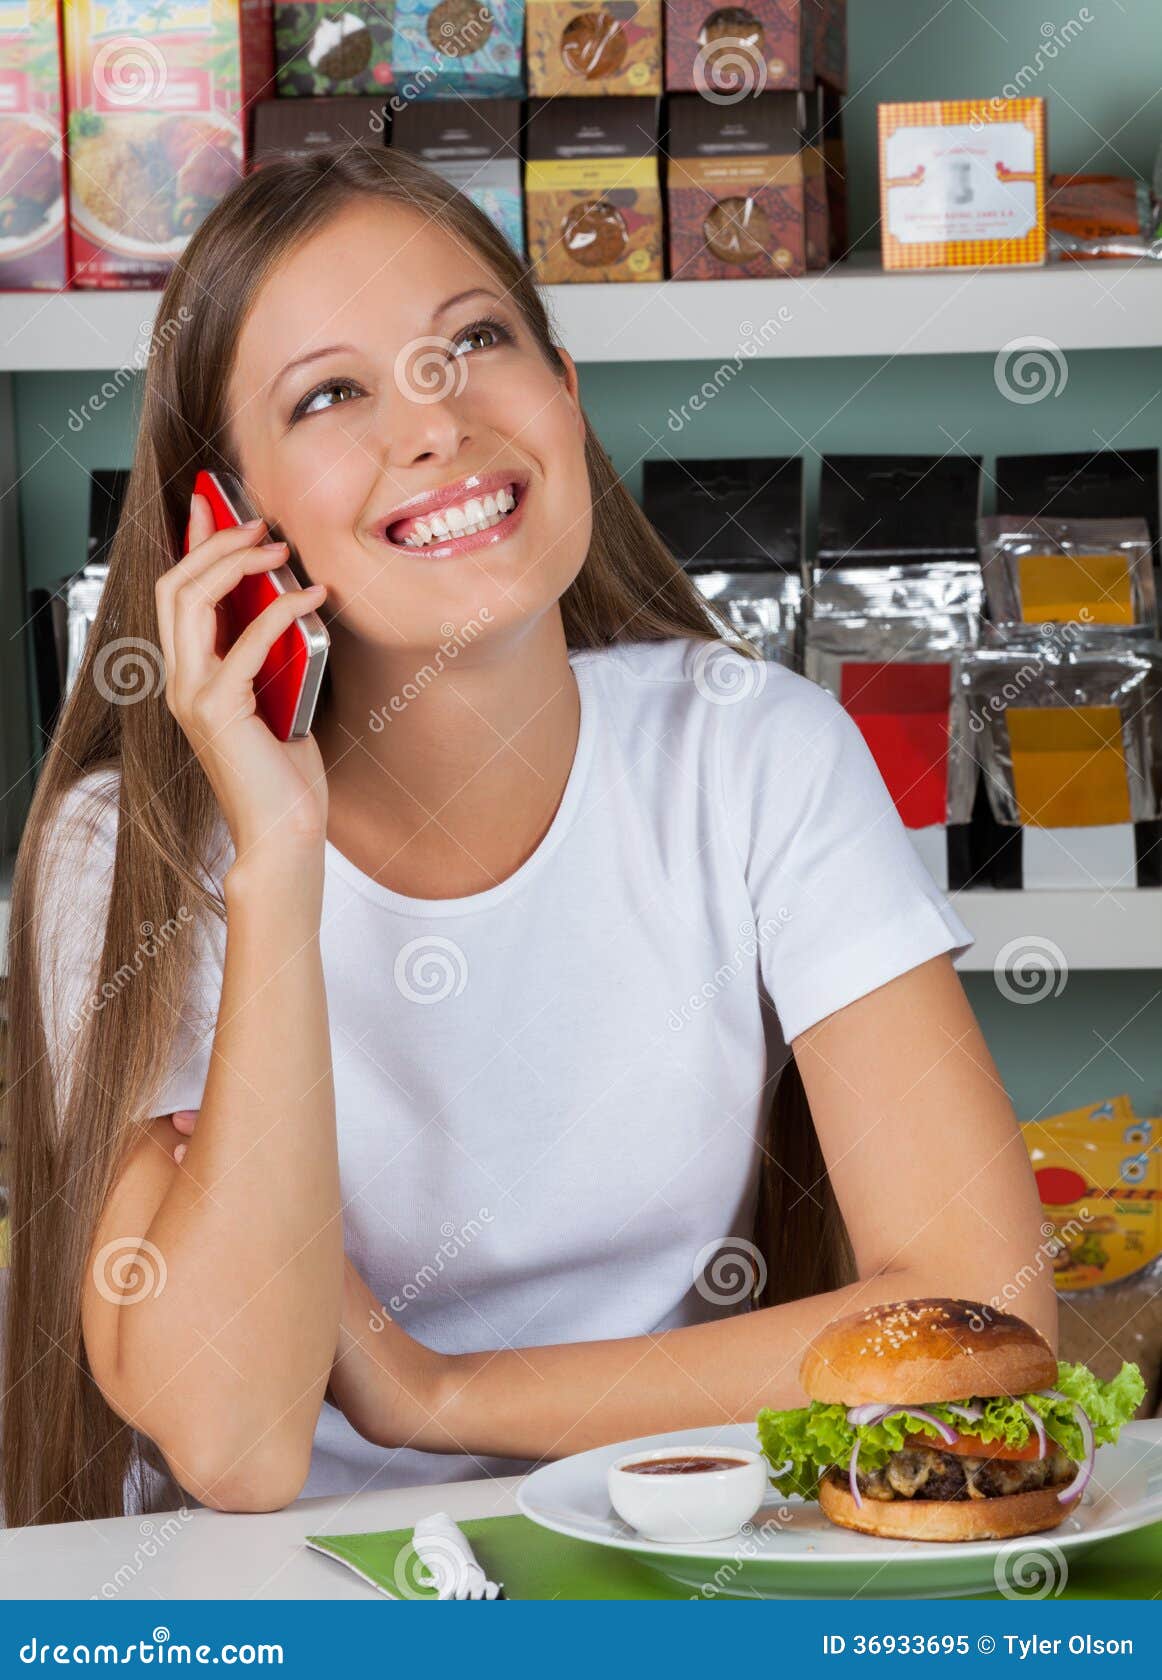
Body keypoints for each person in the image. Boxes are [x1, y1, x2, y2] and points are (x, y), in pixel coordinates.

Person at [1, 147, 1055, 1529]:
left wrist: (432, 1391)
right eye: (330, 393)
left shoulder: (754, 751)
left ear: (563, 396)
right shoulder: (123, 848)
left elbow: (976, 1331)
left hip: (670, 1545)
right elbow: (240, 1445)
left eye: (473, 342)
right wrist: (275, 854)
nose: (432, 422)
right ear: (231, 520)